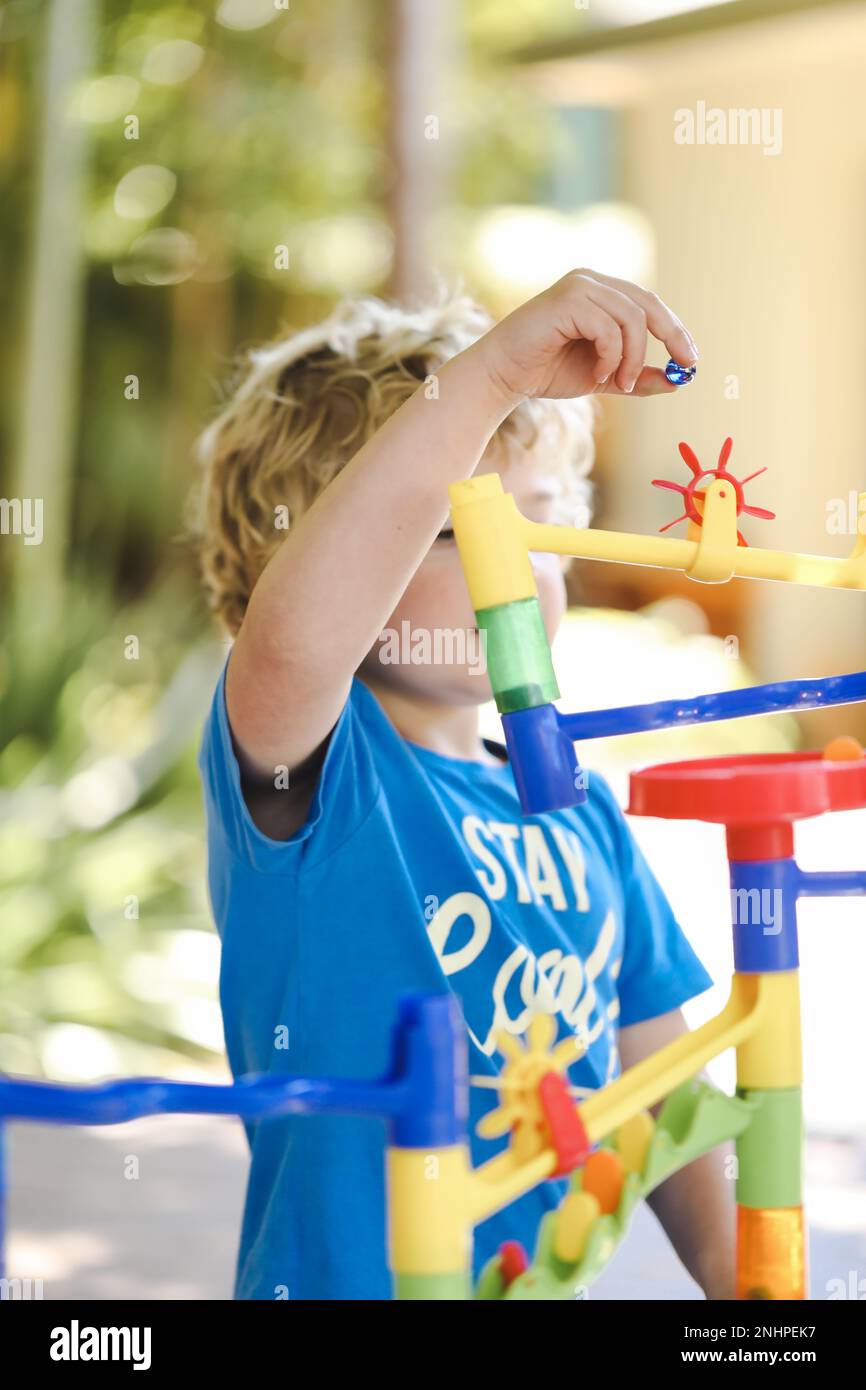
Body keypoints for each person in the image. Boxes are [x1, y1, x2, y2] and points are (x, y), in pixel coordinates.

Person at [194, 270, 733, 1299]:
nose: (518, 566)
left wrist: (751, 1291)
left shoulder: (580, 808)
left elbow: (661, 1090)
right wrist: (486, 375)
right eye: (457, 530)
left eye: (544, 522)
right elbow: (301, 638)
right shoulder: (312, 766)